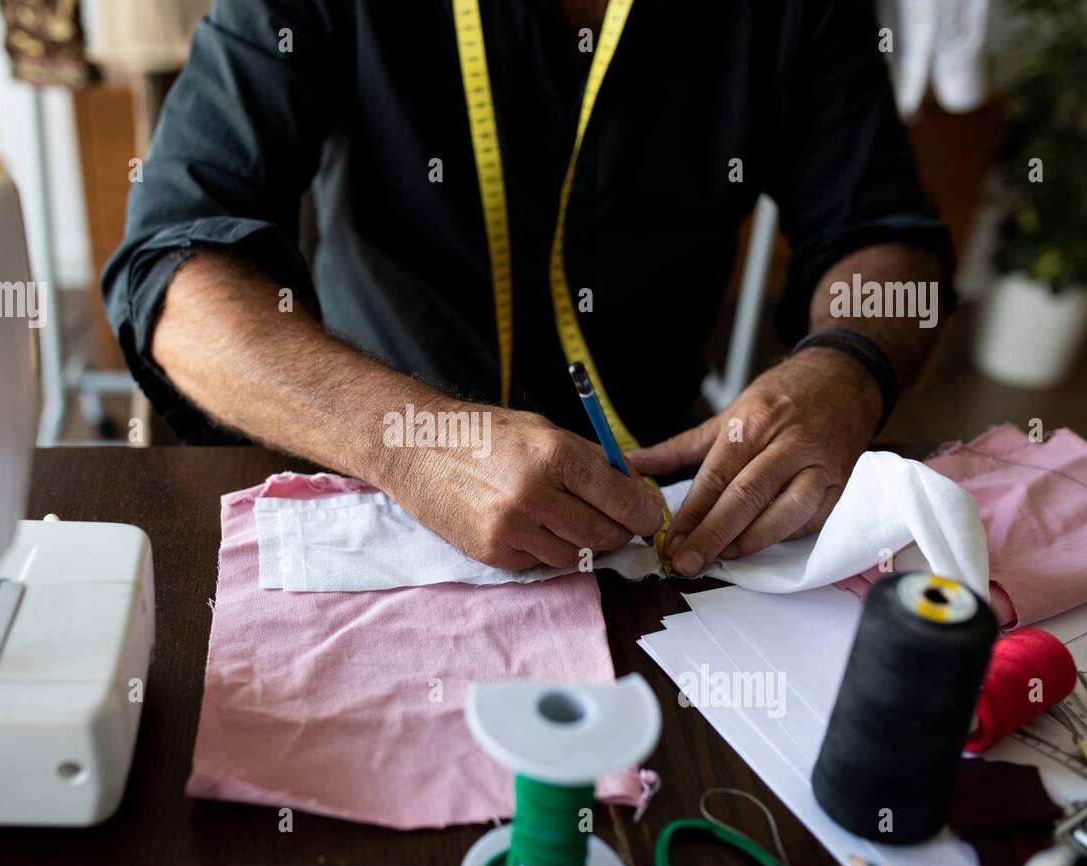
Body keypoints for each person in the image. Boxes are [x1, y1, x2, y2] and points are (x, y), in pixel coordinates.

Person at [103, 0, 953, 576]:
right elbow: (173, 269)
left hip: (659, 494)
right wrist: (406, 441)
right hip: (368, 470)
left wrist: (847, 365)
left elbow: (887, 239)